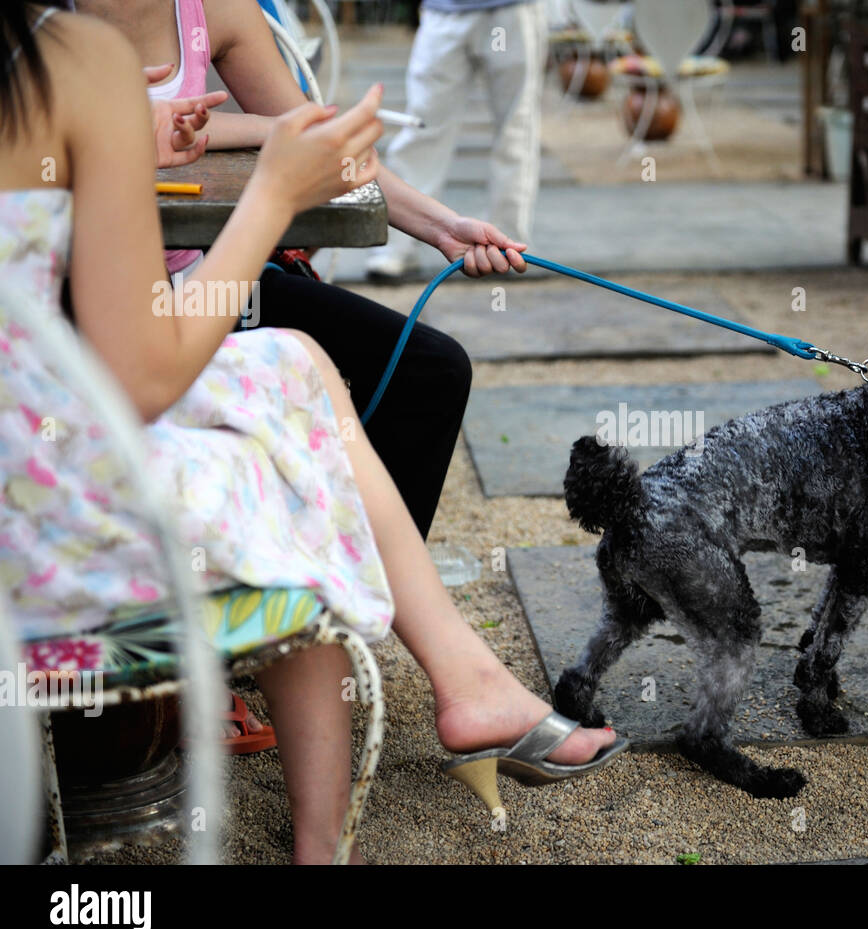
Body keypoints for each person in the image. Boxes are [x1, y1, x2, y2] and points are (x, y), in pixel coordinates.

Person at [0, 1, 622, 864]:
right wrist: (271, 194)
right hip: (56, 481)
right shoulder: (71, 58)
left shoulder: (87, 51)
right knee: (293, 451)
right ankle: (329, 751)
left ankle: (443, 683)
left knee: (316, 366)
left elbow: (312, 133)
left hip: (92, 356)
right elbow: (141, 372)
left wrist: (437, 223)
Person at [366, 0, 549, 278]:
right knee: (422, 128)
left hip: (513, 9)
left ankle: (508, 245)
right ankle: (396, 247)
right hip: (443, 11)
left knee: (516, 130)